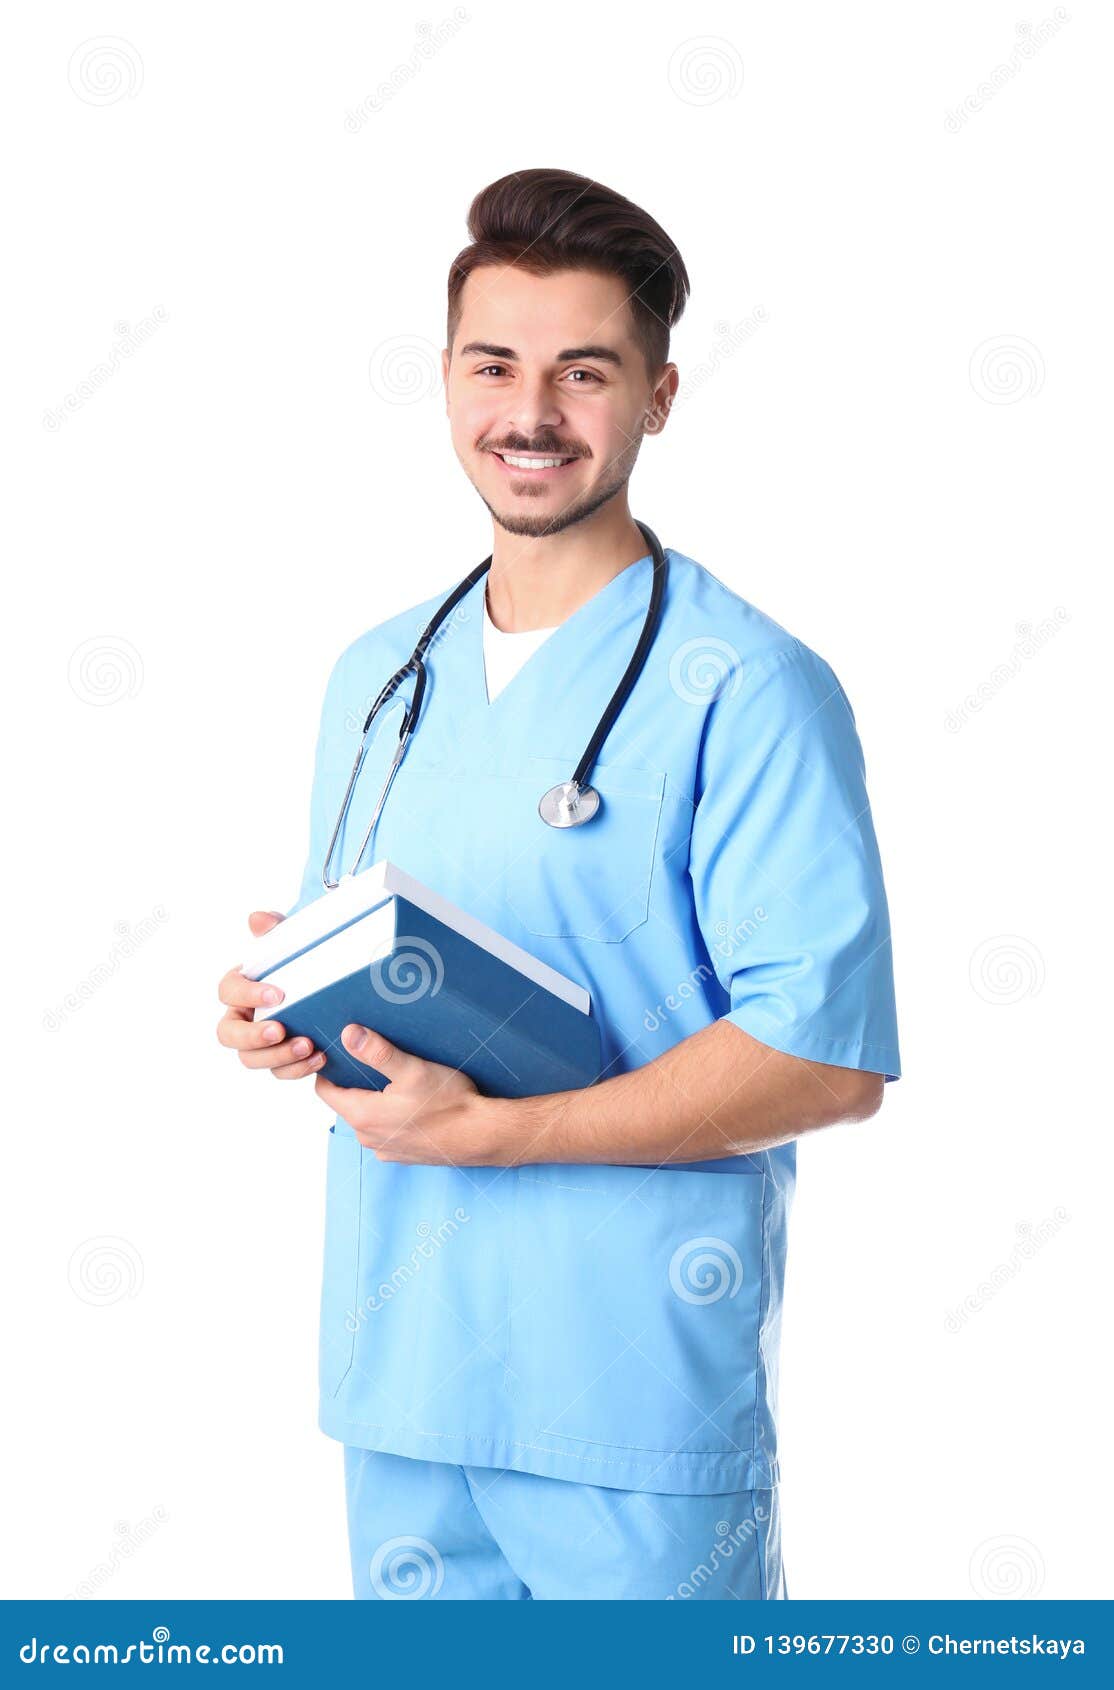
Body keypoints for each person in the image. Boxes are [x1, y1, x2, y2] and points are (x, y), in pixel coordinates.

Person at [216, 168, 901, 1601]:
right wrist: (281, 1010)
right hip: (404, 1383)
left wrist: (505, 1133)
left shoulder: (752, 690)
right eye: (495, 365)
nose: (530, 413)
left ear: (656, 394)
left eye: (582, 372)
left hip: (627, 1396)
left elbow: (821, 1056)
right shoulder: (376, 675)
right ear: (446, 380)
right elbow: (364, 956)